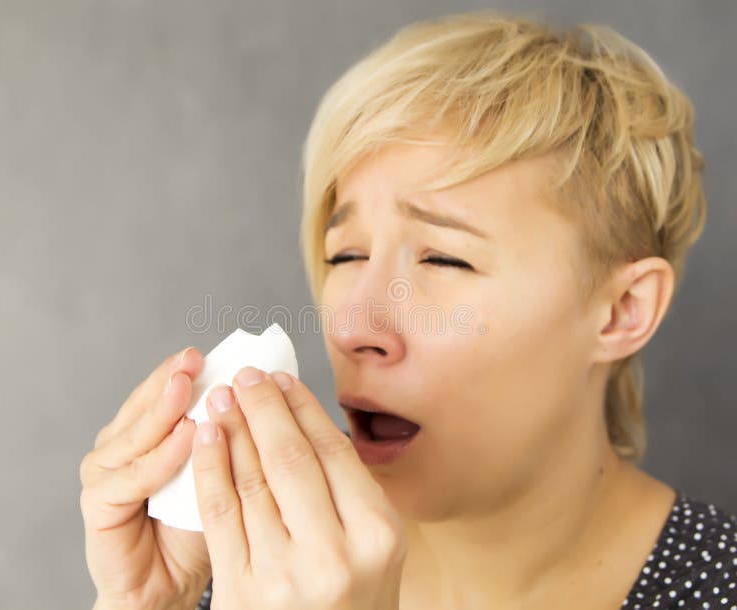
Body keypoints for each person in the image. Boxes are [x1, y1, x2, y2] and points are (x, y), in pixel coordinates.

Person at [80, 10, 737, 610]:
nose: (352, 327)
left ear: (621, 310)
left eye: (443, 260)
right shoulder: (260, 573)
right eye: (344, 256)